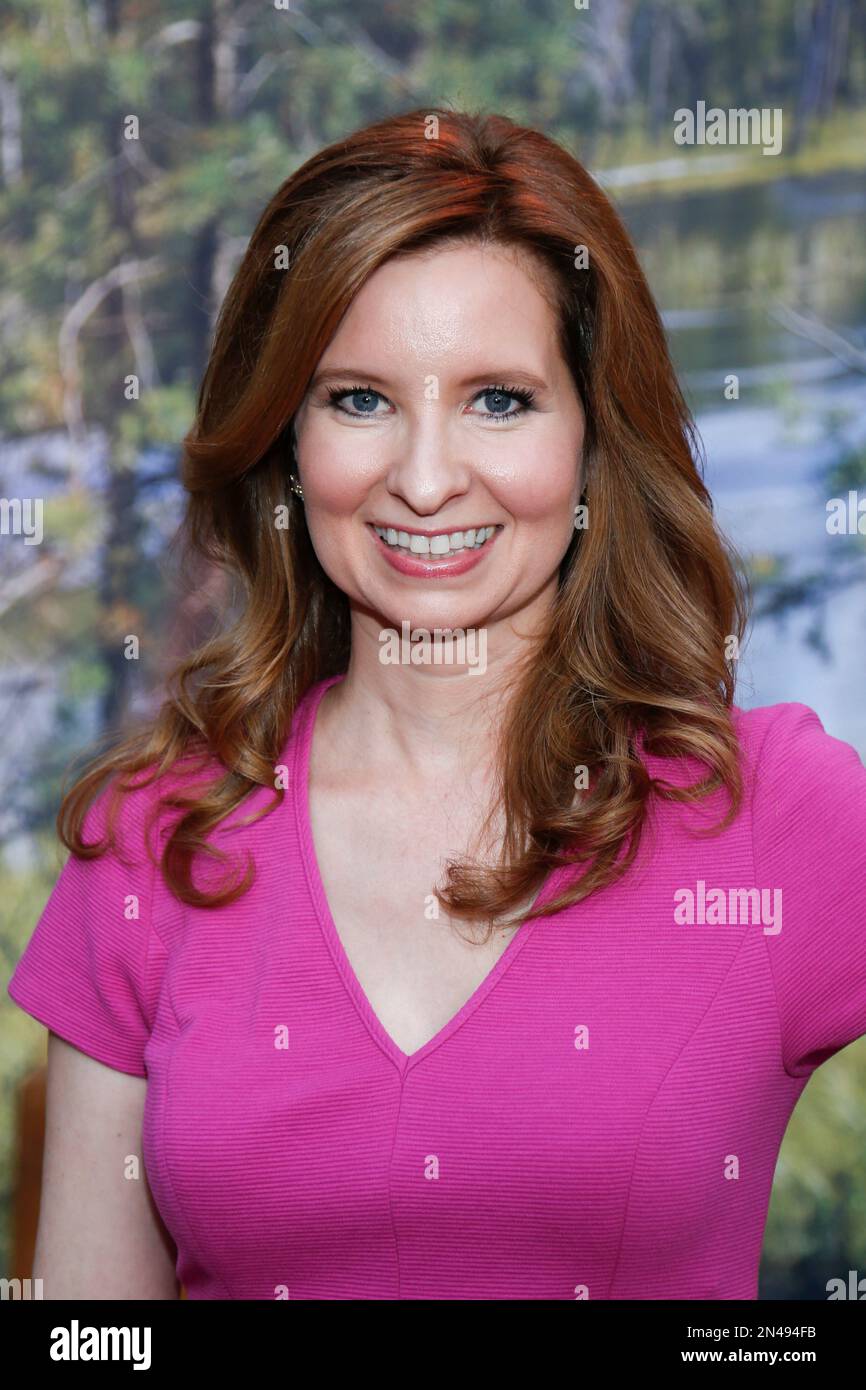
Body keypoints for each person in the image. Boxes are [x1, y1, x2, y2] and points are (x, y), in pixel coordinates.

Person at [8, 107, 866, 1301]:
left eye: (497, 400)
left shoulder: (773, 815)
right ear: (286, 441)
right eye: (357, 399)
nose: (421, 478)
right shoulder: (157, 842)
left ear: (589, 439)